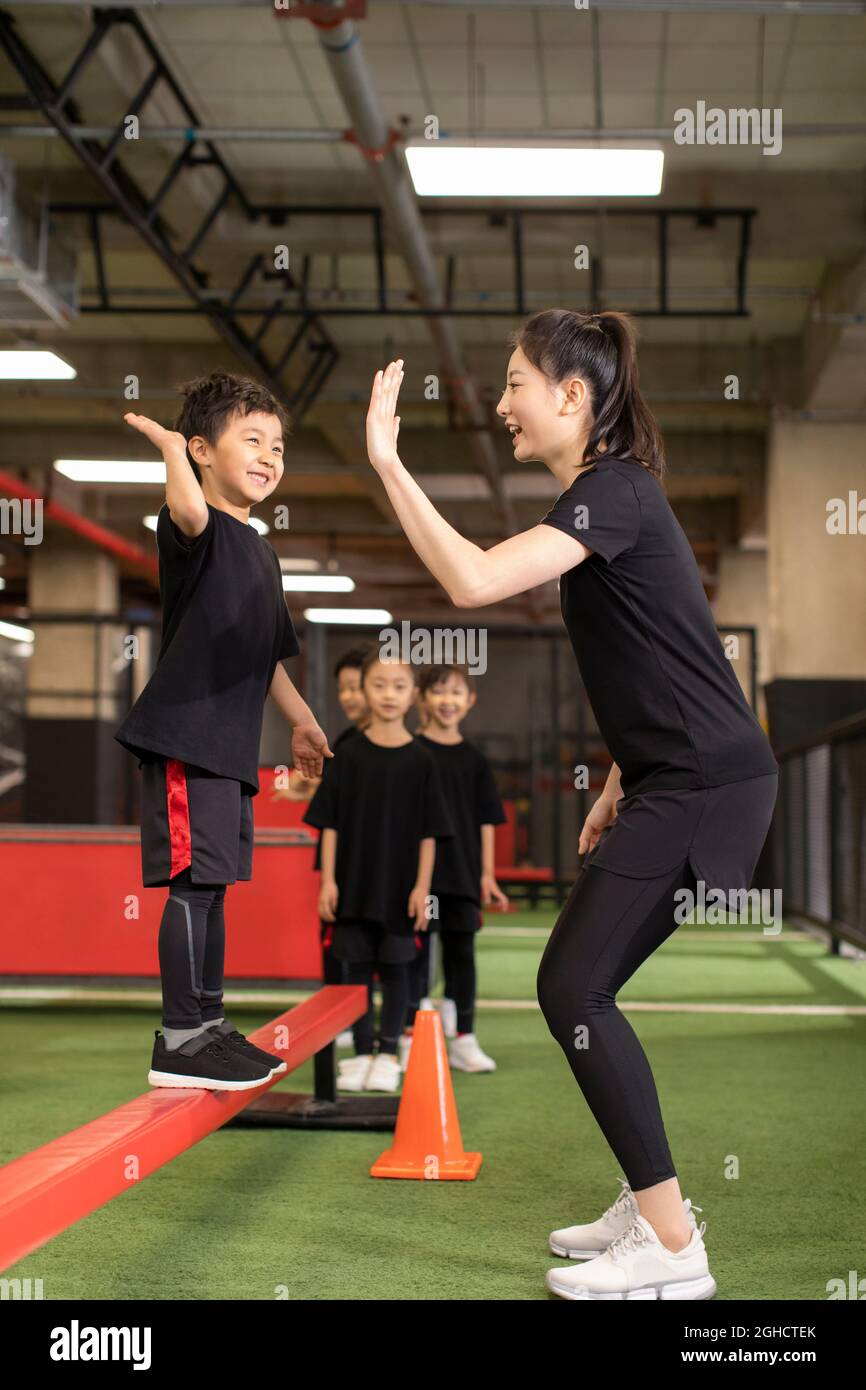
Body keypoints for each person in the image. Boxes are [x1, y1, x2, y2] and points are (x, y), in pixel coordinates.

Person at [364, 310, 779, 1301]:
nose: (501, 403)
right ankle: (651, 1205)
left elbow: (468, 580)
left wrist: (387, 460)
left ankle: (672, 1245)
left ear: (570, 397)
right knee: (582, 989)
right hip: (677, 778)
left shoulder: (611, 494)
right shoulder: (611, 499)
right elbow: (659, 659)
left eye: (514, 383)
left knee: (570, 989)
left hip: (705, 785)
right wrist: (614, 780)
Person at [115, 370, 331, 1092]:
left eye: (277, 445)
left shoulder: (260, 550)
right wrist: (173, 453)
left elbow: (266, 653)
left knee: (213, 887)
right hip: (184, 737)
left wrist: (300, 718)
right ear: (206, 451)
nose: (269, 455)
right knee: (190, 885)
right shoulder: (195, 531)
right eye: (252, 440)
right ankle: (179, 1036)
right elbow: (184, 505)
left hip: (231, 750)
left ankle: (207, 1025)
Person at [302, 649, 453, 1094]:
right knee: (355, 970)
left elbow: (430, 832)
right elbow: (328, 823)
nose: (389, 694)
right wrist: (328, 881)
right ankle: (363, 1051)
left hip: (401, 889)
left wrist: (422, 888)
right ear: (363, 690)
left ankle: (389, 1052)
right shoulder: (347, 755)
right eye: (379, 684)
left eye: (400, 686)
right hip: (353, 885)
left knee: (397, 971)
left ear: (414, 696)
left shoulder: (423, 762)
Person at [403, 663, 508, 1074]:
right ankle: (412, 1036)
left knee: (461, 955)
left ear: (470, 702)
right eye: (439, 692)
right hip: (418, 878)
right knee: (416, 954)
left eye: (457, 693)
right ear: (422, 700)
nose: (448, 701)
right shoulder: (411, 754)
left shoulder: (475, 761)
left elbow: (486, 821)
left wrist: (486, 874)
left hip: (462, 874)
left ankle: (464, 1037)